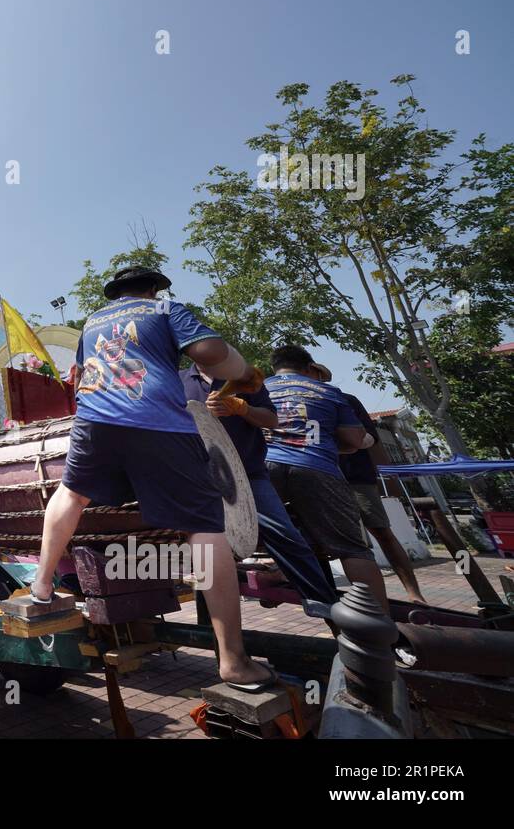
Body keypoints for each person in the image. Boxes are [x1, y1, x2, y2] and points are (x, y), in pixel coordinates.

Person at [29, 266, 276, 691]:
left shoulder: (90, 322)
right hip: (157, 421)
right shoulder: (164, 309)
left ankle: (42, 586)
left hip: (93, 421)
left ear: (115, 294)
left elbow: (80, 377)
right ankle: (233, 661)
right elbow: (212, 352)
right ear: (151, 289)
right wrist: (242, 366)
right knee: (205, 525)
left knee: (71, 493)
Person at [180, 363, 338, 605]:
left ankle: (322, 602)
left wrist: (241, 408)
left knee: (285, 535)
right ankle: (218, 618)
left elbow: (271, 420)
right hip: (200, 479)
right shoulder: (178, 380)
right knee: (206, 547)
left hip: (249, 475)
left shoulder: (242, 376)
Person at [263, 345, 388, 609]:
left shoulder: (259, 389)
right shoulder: (329, 392)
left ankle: (280, 577)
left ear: (274, 367)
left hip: (267, 469)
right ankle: (378, 625)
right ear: (309, 368)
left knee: (269, 534)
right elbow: (354, 439)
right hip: (318, 467)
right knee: (352, 548)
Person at [311, 363, 426, 604]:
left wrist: (344, 441)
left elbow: (370, 437)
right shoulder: (299, 405)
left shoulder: (345, 400)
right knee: (335, 539)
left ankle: (414, 592)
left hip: (355, 476)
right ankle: (352, 598)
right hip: (320, 477)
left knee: (381, 530)